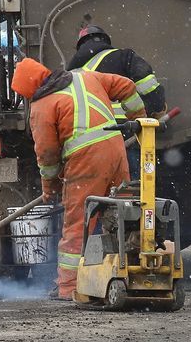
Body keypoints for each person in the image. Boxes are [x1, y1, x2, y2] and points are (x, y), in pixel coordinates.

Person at [10, 57, 146, 300]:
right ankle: (131, 275)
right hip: (116, 152)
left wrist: (49, 188)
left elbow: (48, 157)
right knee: (123, 215)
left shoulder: (42, 107)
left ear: (29, 89)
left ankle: (69, 287)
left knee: (77, 224)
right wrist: (140, 122)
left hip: (86, 162)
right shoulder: (85, 76)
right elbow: (126, 86)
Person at [67, 25, 166, 178]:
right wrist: (156, 108)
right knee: (131, 184)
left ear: (80, 46)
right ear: (105, 41)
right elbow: (148, 87)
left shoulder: (70, 75)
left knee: (96, 186)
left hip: (84, 140)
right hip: (125, 130)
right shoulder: (123, 57)